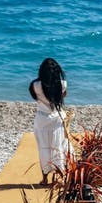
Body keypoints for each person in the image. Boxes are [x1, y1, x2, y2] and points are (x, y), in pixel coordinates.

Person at [29, 57, 69, 185]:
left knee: (44, 148)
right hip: (57, 118)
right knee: (58, 147)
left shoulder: (35, 85)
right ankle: (59, 177)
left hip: (42, 119)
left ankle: (45, 178)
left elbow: (35, 97)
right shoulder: (62, 84)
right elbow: (63, 96)